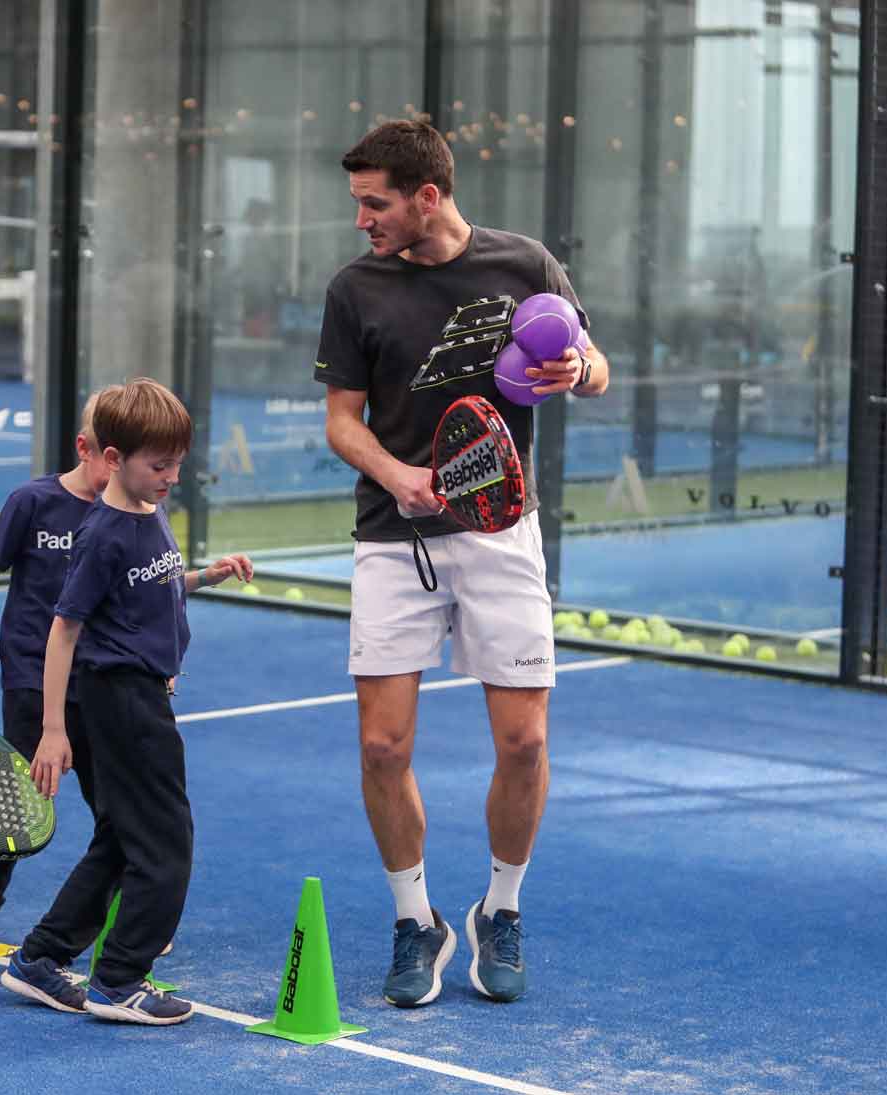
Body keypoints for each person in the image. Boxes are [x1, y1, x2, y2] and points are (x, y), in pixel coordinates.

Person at [315, 120, 610, 1007]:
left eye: (375, 202)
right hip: (392, 537)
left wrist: (577, 369)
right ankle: (416, 921)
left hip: (501, 532)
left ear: (428, 196)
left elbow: (596, 366)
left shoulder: (525, 264)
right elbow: (342, 420)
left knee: (525, 742)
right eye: (358, 202)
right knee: (382, 745)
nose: (362, 219)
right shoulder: (355, 288)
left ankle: (500, 909)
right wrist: (395, 473)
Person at [0, 377, 252, 1025]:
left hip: (141, 692)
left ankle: (40, 958)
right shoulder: (105, 533)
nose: (172, 477)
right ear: (113, 458)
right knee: (167, 841)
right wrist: (53, 729)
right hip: (122, 700)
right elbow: (64, 628)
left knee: (121, 835)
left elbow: (150, 592)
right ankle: (118, 978)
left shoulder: (147, 509)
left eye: (178, 464)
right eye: (159, 465)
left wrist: (206, 575)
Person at [0, 387, 118, 982]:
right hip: (30, 680)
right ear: (84, 448)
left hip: (103, 682)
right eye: (111, 458)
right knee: (12, 809)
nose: (119, 472)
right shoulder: (33, 501)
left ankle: (118, 918)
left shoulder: (130, 509)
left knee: (119, 812)